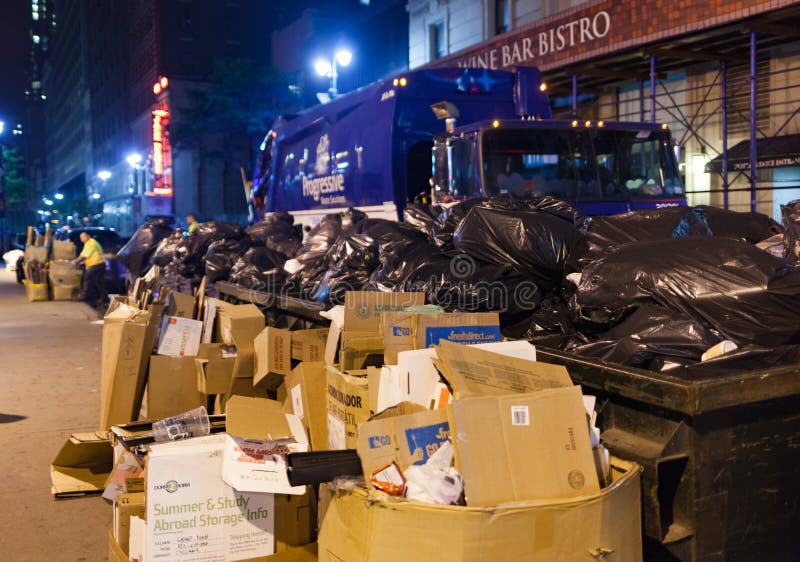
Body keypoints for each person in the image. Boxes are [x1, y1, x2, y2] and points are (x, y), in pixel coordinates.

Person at [73, 231, 107, 312]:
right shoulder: (93, 242)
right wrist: (82, 262)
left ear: (88, 236)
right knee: (99, 282)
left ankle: (85, 296)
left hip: (96, 264)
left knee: (88, 278)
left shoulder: (90, 243)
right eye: (81, 238)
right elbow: (90, 255)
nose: (82, 239)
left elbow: (84, 255)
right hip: (100, 264)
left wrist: (74, 262)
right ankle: (104, 299)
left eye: (83, 237)